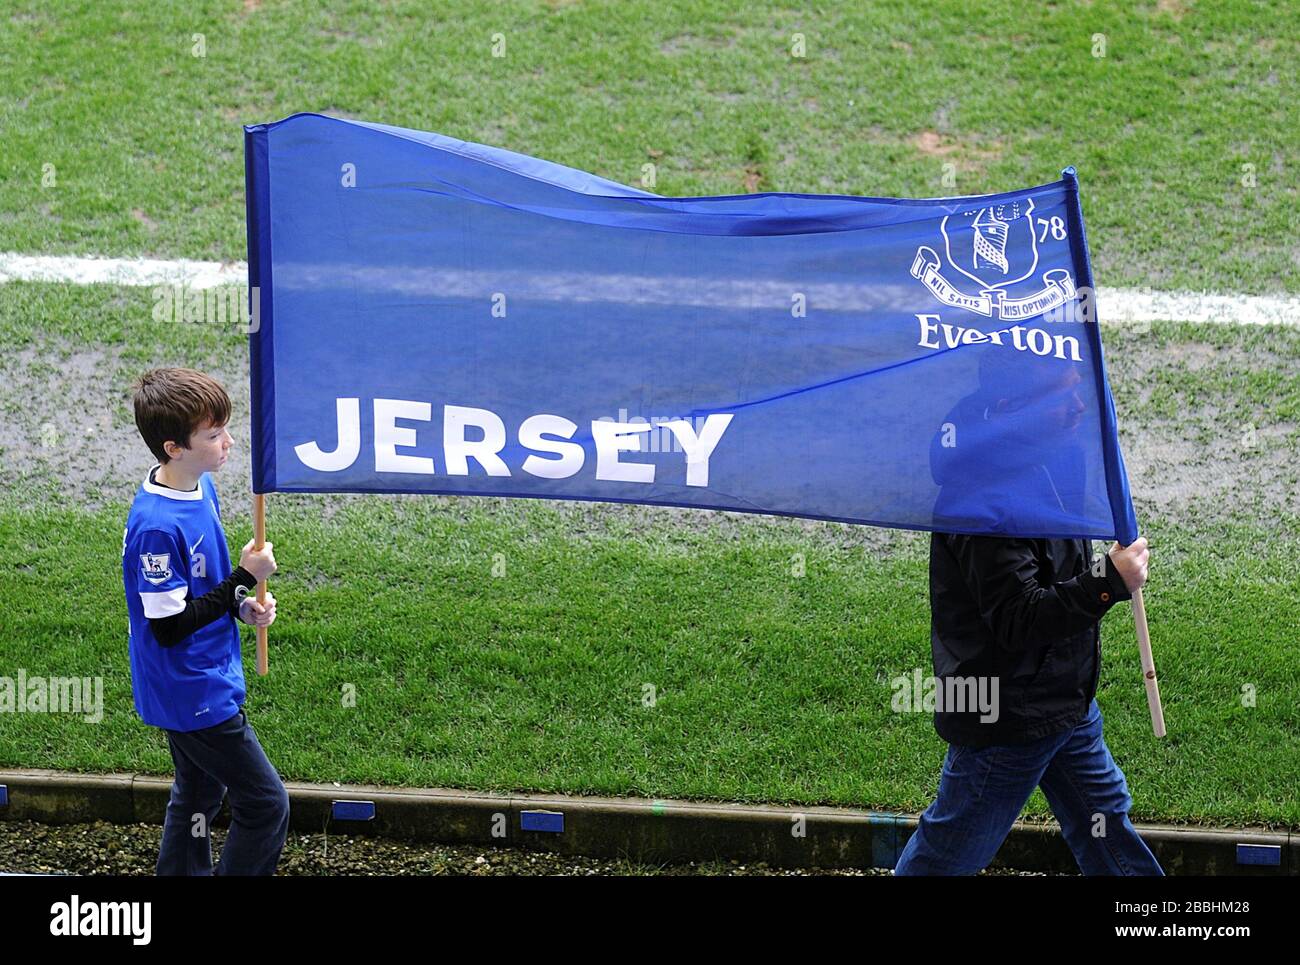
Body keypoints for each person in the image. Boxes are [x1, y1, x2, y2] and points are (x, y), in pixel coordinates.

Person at [894, 346, 1163, 875]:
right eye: (1063, 392)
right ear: (1016, 403)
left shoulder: (1053, 453)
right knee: (948, 854)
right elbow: (1019, 619)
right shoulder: (982, 497)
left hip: (1060, 701)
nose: (1081, 404)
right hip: (1010, 714)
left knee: (1106, 826)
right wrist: (1109, 582)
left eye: (1076, 386)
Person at [122, 367, 287, 875]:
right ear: (173, 447)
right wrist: (243, 575)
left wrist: (242, 604)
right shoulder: (157, 527)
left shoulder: (200, 487)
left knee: (197, 792)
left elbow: (202, 591)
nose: (228, 442)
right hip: (190, 688)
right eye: (213, 435)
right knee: (265, 804)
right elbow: (169, 628)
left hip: (203, 677)